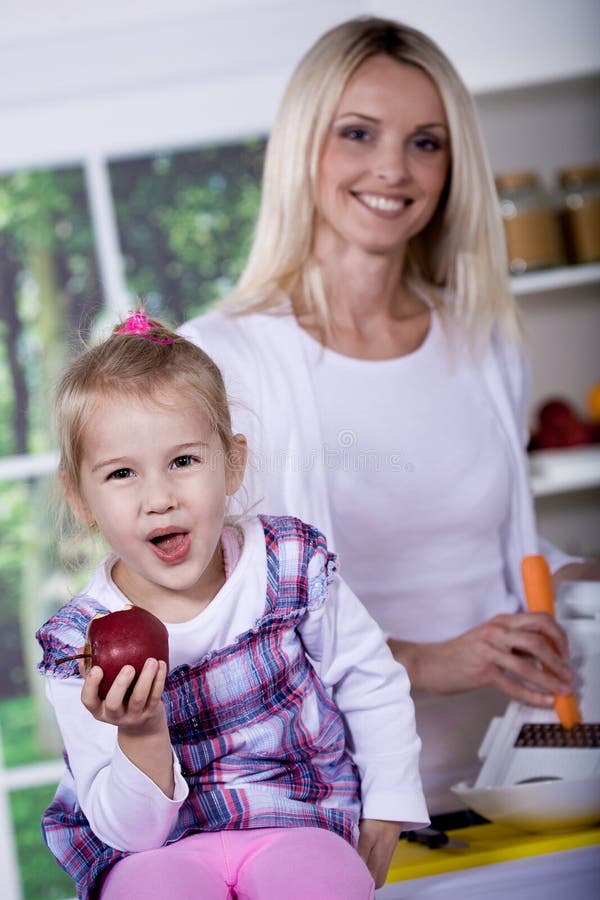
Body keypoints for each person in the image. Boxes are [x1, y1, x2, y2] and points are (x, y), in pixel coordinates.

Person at [179, 16, 600, 817]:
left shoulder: (483, 344)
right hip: (336, 811)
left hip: (517, 787)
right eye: (359, 133)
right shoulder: (223, 361)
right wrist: (427, 661)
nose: (393, 168)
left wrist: (577, 579)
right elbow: (218, 615)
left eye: (426, 142)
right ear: (305, 144)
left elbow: (494, 546)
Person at [36, 310, 427, 900]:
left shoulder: (286, 564)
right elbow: (132, 836)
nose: (159, 499)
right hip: (159, 850)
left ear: (233, 462)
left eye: (184, 461)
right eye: (121, 473)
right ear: (80, 497)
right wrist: (140, 732)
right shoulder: (80, 646)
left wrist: (389, 810)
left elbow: (370, 681)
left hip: (297, 818)